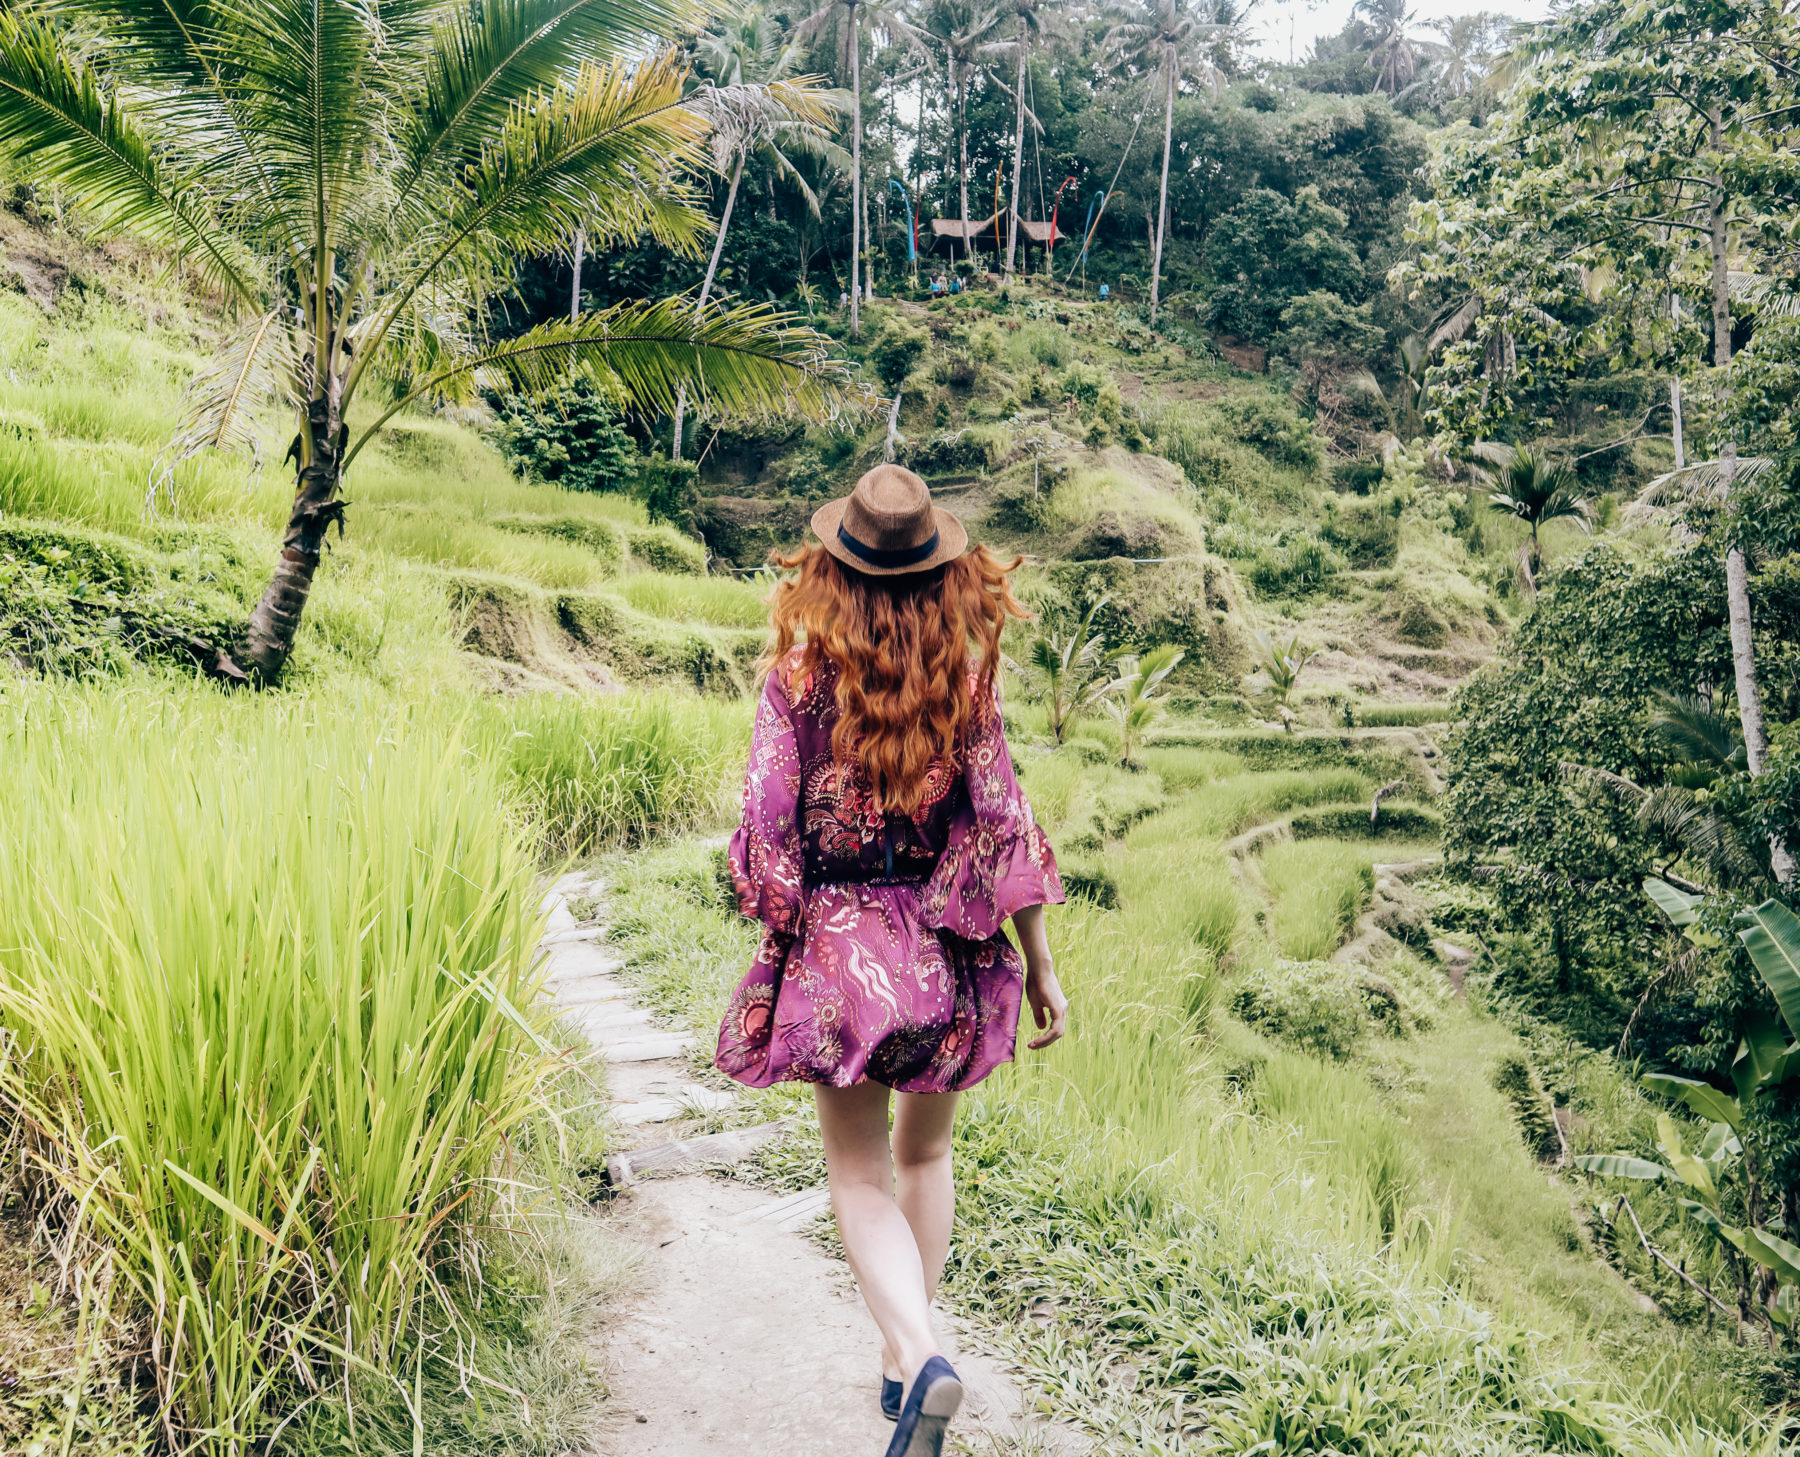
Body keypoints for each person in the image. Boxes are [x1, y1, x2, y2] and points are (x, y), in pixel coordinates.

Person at [716, 465, 1069, 1457]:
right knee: (926, 1153)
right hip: (945, 954)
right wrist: (1039, 963)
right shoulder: (964, 684)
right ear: (938, 576)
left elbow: (765, 825)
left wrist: (784, 934)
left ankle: (919, 1354)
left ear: (834, 568)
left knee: (861, 1172)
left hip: (838, 946)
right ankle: (897, 1357)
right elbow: (1003, 822)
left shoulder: (796, 680)